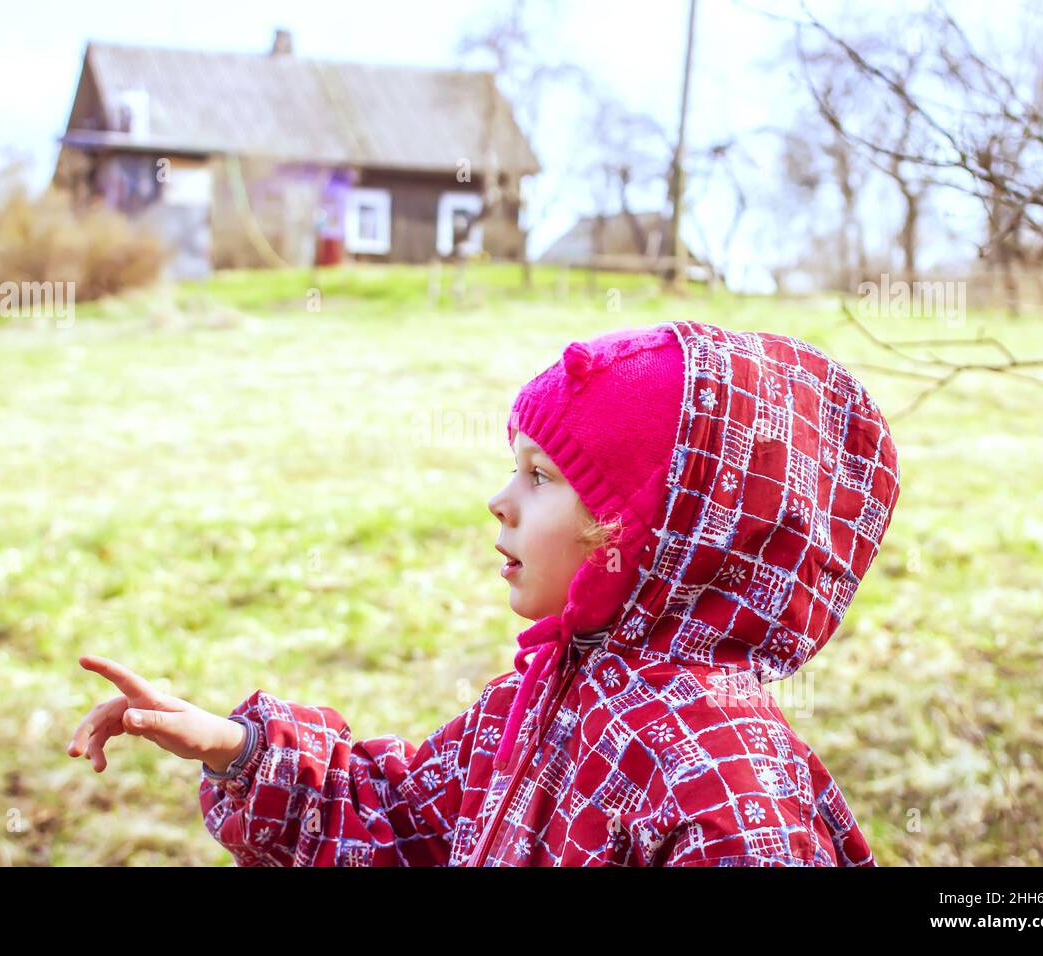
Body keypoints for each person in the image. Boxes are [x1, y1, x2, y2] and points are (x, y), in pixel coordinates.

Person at [67, 319, 900, 866]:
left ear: (642, 534)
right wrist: (235, 748)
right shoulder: (540, 703)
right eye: (514, 465)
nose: (500, 498)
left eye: (542, 477)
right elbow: (400, 820)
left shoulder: (719, 774)